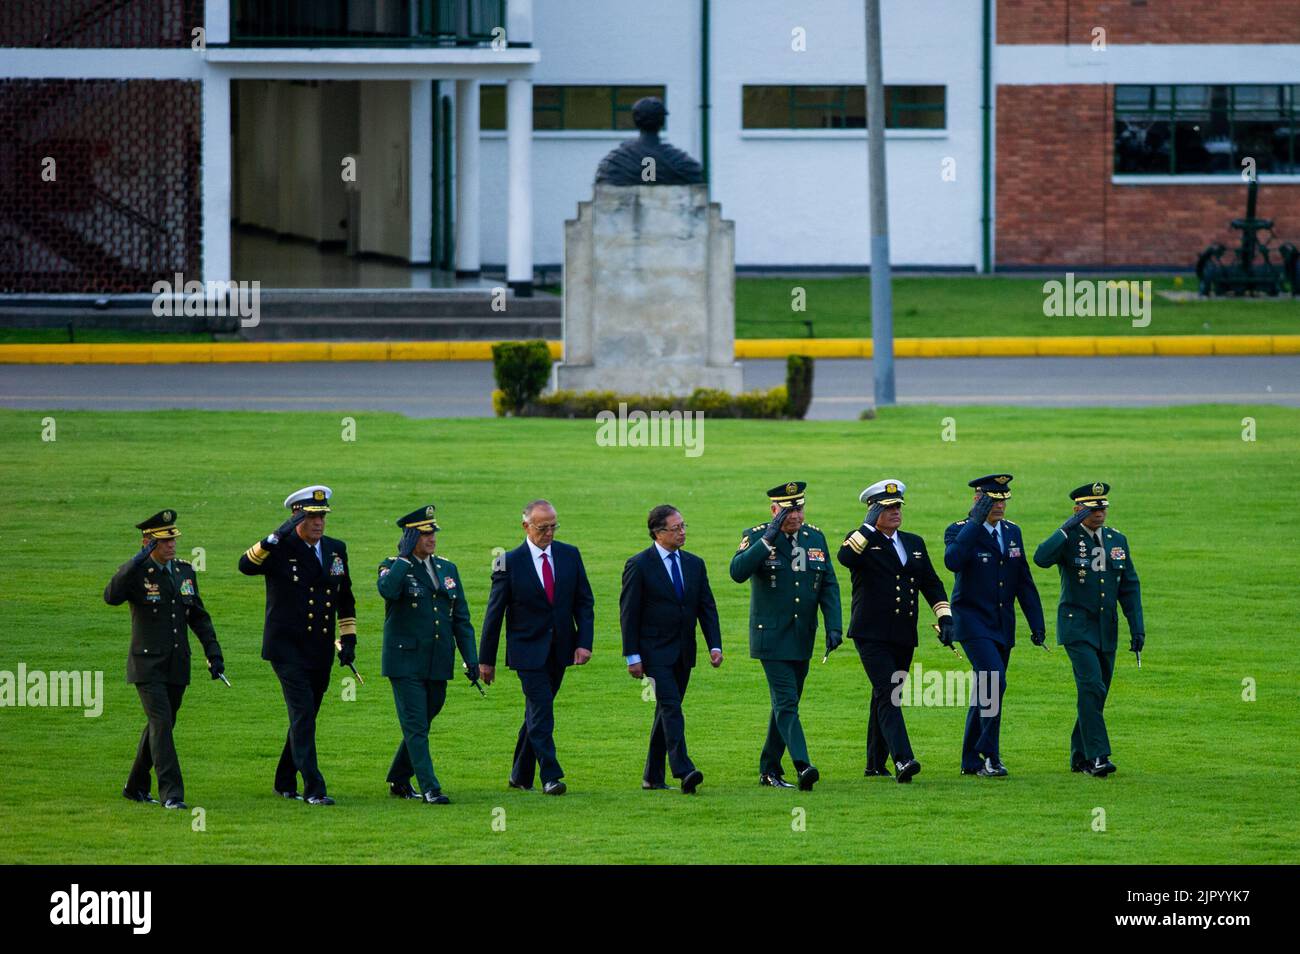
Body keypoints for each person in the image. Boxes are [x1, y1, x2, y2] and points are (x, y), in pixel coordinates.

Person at [238, 485, 357, 805]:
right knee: (303, 713)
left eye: (322, 516)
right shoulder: (280, 547)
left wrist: (348, 639)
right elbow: (246, 566)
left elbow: (344, 597)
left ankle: (284, 779)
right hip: (287, 648)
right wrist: (272, 538)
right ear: (295, 517)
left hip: (319, 648)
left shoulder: (335, 548)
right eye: (311, 516)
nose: (318, 522)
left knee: (306, 716)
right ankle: (314, 787)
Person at [105, 510, 224, 810]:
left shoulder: (184, 571)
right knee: (161, 723)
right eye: (164, 541)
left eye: (174, 539)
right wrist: (136, 560)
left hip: (177, 664)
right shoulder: (137, 573)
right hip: (147, 665)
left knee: (162, 724)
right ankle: (172, 794)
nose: (172, 545)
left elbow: (198, 616)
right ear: (148, 542)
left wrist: (214, 653)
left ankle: (135, 786)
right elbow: (111, 596)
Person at [729, 481, 842, 791]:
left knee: (784, 705)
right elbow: (737, 572)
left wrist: (833, 625)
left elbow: (828, 584)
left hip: (802, 636)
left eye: (799, 508)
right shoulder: (756, 536)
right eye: (788, 510)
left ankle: (768, 770)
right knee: (787, 702)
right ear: (774, 510)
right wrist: (767, 540)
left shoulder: (814, 537)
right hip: (771, 638)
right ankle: (803, 764)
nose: (795, 515)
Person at [838, 479, 952, 783]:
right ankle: (904, 759)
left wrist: (945, 617)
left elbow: (931, 582)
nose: (895, 512)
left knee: (885, 694)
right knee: (891, 693)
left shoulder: (913, 542)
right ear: (873, 510)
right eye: (887, 508)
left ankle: (875, 764)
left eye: (897, 506)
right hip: (870, 633)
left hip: (903, 633)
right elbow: (846, 558)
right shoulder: (860, 540)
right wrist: (867, 528)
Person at [479, 499, 595, 796]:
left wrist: (584, 643)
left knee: (536, 711)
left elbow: (584, 602)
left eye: (554, 526)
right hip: (526, 652)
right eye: (543, 527)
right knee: (542, 710)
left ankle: (520, 775)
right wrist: (485, 661)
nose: (549, 533)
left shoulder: (570, 555)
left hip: (561, 650)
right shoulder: (508, 561)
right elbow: (494, 613)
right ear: (526, 526)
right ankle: (551, 776)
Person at [1033, 482, 1144, 777]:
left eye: (1102, 507)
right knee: (1091, 686)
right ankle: (1098, 756)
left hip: (1106, 629)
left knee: (1097, 692)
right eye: (1093, 508)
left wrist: (1138, 628)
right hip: (1076, 627)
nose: (1100, 513)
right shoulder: (1068, 538)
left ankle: (1079, 755)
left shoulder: (1116, 539)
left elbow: (1129, 587)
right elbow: (1041, 559)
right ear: (1078, 510)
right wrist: (1065, 528)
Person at [943, 474, 1045, 778]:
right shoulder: (959, 530)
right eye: (992, 500)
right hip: (972, 622)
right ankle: (990, 754)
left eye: (1003, 500)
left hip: (1002, 624)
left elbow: (1023, 581)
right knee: (994, 681)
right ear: (977, 500)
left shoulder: (1013, 532)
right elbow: (953, 561)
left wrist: (1036, 622)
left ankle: (970, 760)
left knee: (985, 691)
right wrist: (975, 522)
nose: (999, 505)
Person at [378, 504, 479, 804]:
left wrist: (470, 658)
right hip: (405, 660)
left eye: (433, 532)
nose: (432, 538)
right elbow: (388, 591)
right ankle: (430, 787)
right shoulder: (393, 565)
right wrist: (405, 558)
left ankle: (399, 777)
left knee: (426, 716)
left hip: (438, 659)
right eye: (424, 534)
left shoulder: (447, 568)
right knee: (416, 725)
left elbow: (461, 618)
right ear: (410, 537)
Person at [619, 504, 722, 794]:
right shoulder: (639, 565)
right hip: (653, 654)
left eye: (684, 526)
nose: (682, 532)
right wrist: (633, 656)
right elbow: (629, 613)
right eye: (676, 528)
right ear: (657, 532)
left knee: (665, 711)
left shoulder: (694, 564)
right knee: (672, 709)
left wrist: (714, 645)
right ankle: (684, 770)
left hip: (684, 653)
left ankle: (652, 777)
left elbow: (707, 608)